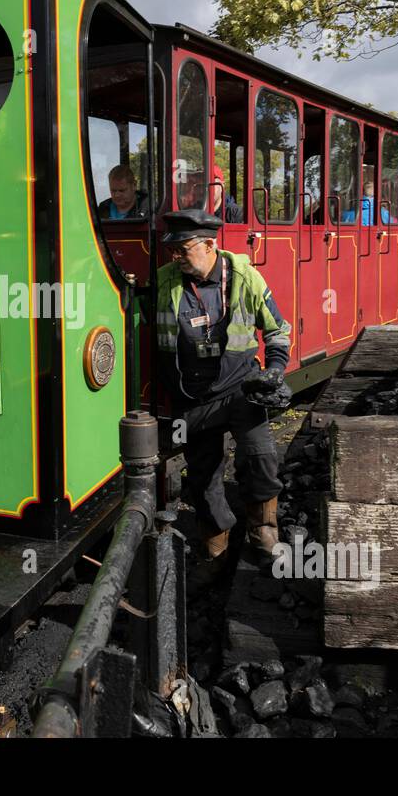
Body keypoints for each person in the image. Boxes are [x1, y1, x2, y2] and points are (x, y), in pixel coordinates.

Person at [155, 209, 293, 566]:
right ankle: (216, 548)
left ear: (209, 245)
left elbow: (277, 329)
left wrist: (275, 370)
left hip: (240, 388)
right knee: (202, 477)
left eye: (183, 249)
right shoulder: (164, 282)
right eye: (173, 250)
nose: (176, 257)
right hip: (191, 395)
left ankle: (263, 533)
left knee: (262, 458)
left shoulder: (246, 277)